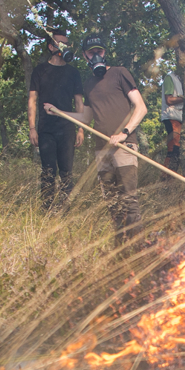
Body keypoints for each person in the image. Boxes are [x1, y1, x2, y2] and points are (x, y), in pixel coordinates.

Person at [47, 33, 147, 238]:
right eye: (91, 52)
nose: (96, 55)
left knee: (129, 199)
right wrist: (59, 111)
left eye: (99, 51)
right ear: (84, 55)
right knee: (112, 204)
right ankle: (120, 250)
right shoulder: (89, 84)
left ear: (105, 52)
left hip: (125, 146)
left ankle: (138, 248)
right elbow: (86, 117)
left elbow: (141, 107)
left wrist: (124, 133)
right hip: (102, 150)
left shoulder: (120, 73)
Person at [28, 27, 85, 211]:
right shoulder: (40, 70)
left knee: (67, 172)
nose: (64, 46)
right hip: (46, 129)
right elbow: (32, 99)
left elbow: (78, 101)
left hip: (67, 129)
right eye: (60, 43)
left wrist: (81, 128)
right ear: (51, 46)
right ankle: (46, 210)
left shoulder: (73, 73)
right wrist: (32, 128)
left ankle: (65, 211)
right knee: (48, 171)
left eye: (66, 44)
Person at [159, 67, 185, 175]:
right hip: (172, 116)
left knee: (176, 149)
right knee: (173, 149)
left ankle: (170, 177)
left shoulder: (181, 80)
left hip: (178, 117)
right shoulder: (170, 78)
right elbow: (169, 100)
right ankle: (166, 178)